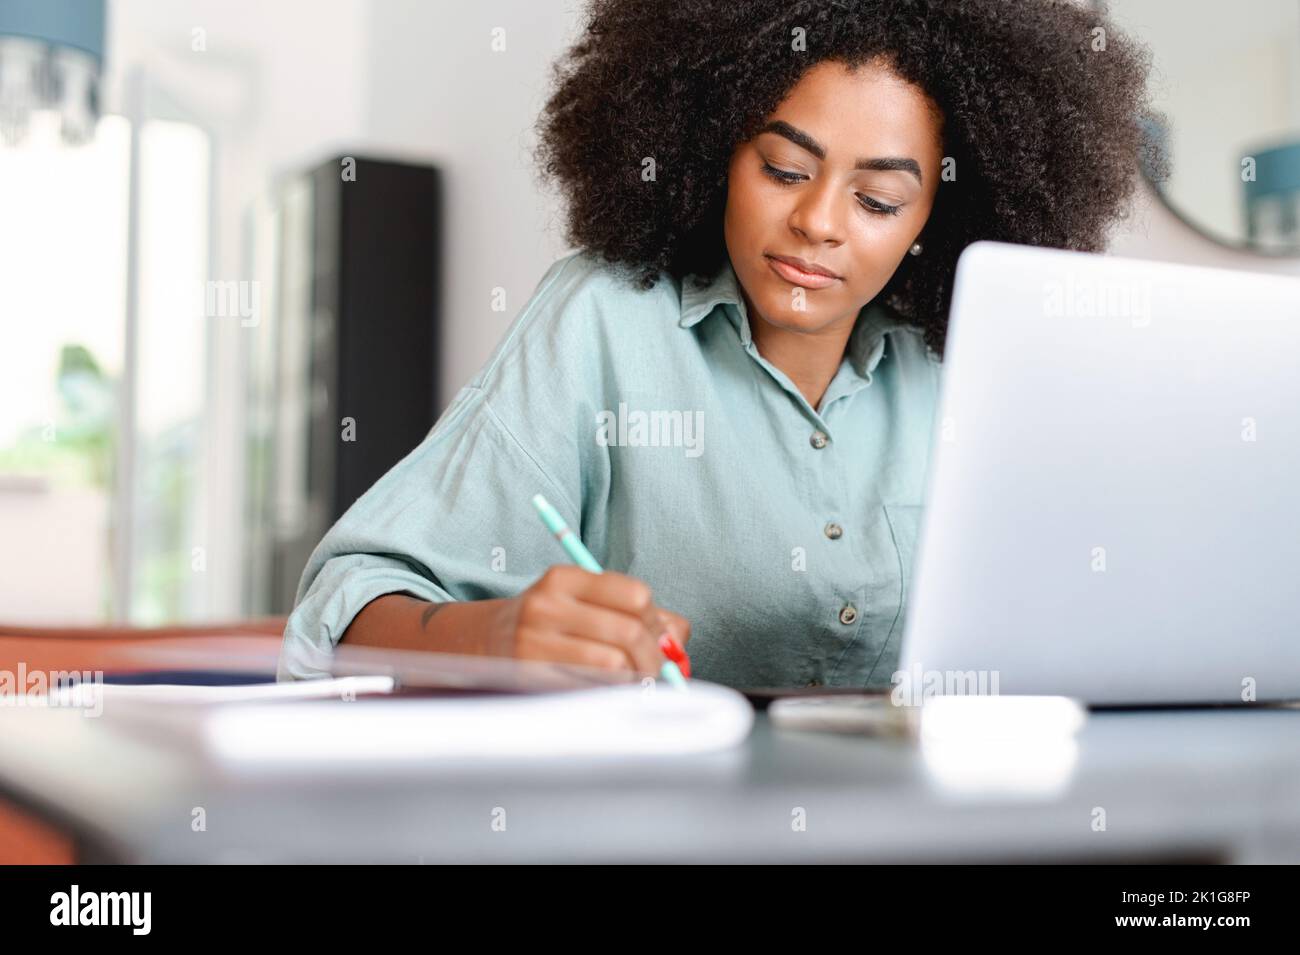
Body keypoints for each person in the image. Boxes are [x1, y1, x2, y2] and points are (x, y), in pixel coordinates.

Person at [279, 0, 1163, 687]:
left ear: (940, 214)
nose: (818, 221)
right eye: (783, 169)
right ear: (709, 146)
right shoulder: (604, 322)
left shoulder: (974, 364)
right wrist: (493, 637)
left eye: (880, 200)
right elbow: (337, 608)